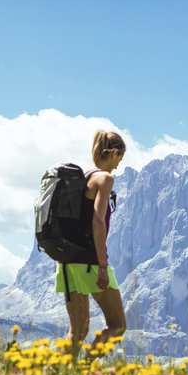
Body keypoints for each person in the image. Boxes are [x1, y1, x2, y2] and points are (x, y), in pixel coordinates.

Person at [58, 130, 128, 358]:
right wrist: (102, 265)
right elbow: (98, 222)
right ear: (114, 153)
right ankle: (87, 367)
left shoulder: (83, 177)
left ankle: (58, 373)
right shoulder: (105, 179)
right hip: (89, 261)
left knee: (77, 331)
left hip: (67, 260)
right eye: (120, 157)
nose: (119, 164)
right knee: (117, 325)